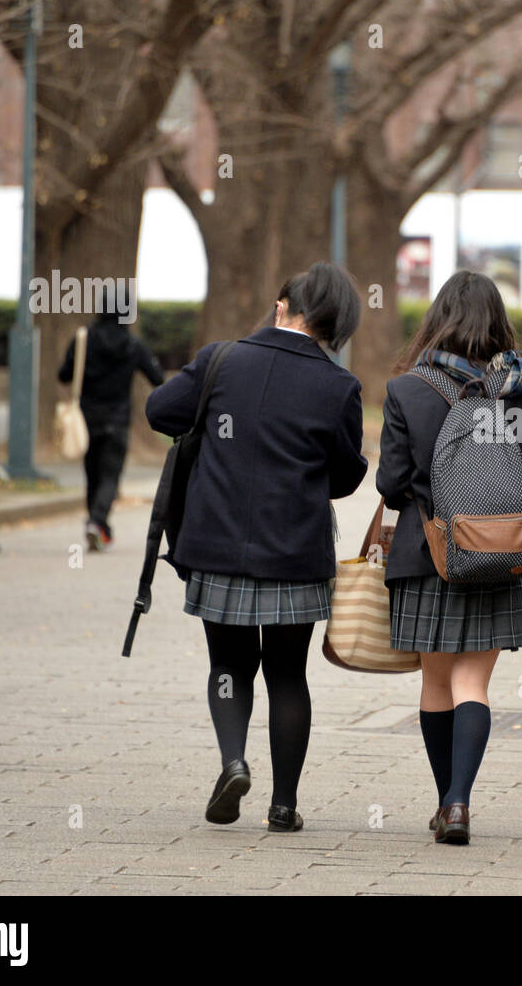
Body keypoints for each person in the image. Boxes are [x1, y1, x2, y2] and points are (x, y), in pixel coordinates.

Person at [145, 264, 367, 833]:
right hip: (294, 549)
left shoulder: (223, 359)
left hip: (217, 545)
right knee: (288, 675)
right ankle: (284, 805)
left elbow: (160, 412)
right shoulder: (338, 387)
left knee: (229, 665)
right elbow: (342, 478)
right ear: (338, 326)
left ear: (281, 305)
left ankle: (233, 762)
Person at [377, 270, 522, 846]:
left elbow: (392, 482)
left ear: (438, 319)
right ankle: (459, 800)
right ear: (498, 321)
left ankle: (447, 803)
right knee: (473, 681)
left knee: (435, 683)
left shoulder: (407, 389)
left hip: (429, 552)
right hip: (501, 548)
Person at [58, 291, 165, 551]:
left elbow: (63, 375)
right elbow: (157, 378)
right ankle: (98, 522)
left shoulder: (84, 339)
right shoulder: (132, 344)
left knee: (92, 474)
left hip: (87, 418)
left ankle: (97, 524)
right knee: (110, 476)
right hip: (117, 419)